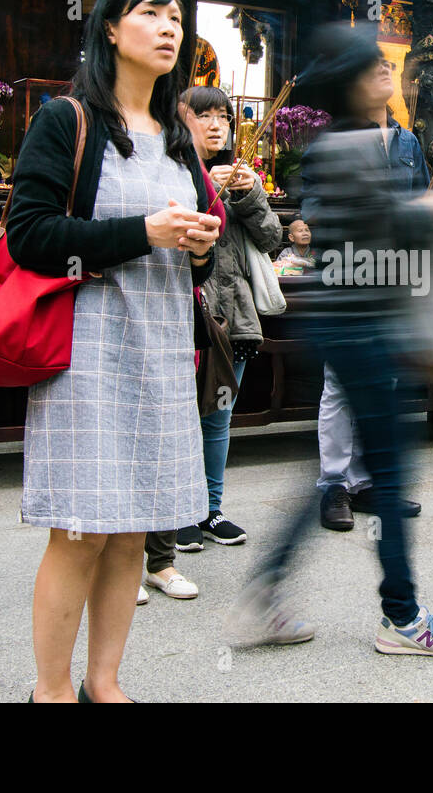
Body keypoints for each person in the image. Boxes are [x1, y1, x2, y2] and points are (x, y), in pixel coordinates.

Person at [7, 0, 221, 703]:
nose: (170, 27)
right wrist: (144, 233)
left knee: (134, 528)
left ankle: (105, 682)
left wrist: (199, 245)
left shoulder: (179, 139)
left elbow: (200, 254)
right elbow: (30, 237)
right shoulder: (67, 121)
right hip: (86, 351)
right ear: (108, 27)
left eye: (178, 17)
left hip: (160, 348)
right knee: (82, 529)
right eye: (153, 13)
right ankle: (50, 689)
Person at [232, 22, 433, 655]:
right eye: (375, 69)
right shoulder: (346, 149)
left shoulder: (337, 146)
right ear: (353, 83)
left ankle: (268, 589)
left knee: (349, 471)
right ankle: (401, 617)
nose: (385, 77)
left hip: (354, 322)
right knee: (394, 475)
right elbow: (396, 220)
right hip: (365, 326)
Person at [169, 84, 282, 553]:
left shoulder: (240, 176)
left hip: (232, 318)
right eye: (205, 116)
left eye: (223, 116)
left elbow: (272, 237)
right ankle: (176, 512)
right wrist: (206, 192)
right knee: (177, 417)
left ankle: (210, 508)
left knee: (218, 417)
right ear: (182, 119)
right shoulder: (173, 172)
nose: (217, 124)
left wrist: (251, 193)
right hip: (185, 313)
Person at [317, 55, 426, 532]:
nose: (385, 72)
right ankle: (334, 484)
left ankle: (368, 482)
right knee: (340, 386)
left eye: (389, 67)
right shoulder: (336, 141)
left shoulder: (409, 142)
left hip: (398, 277)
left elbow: (422, 204)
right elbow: (316, 205)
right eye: (373, 67)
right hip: (348, 273)